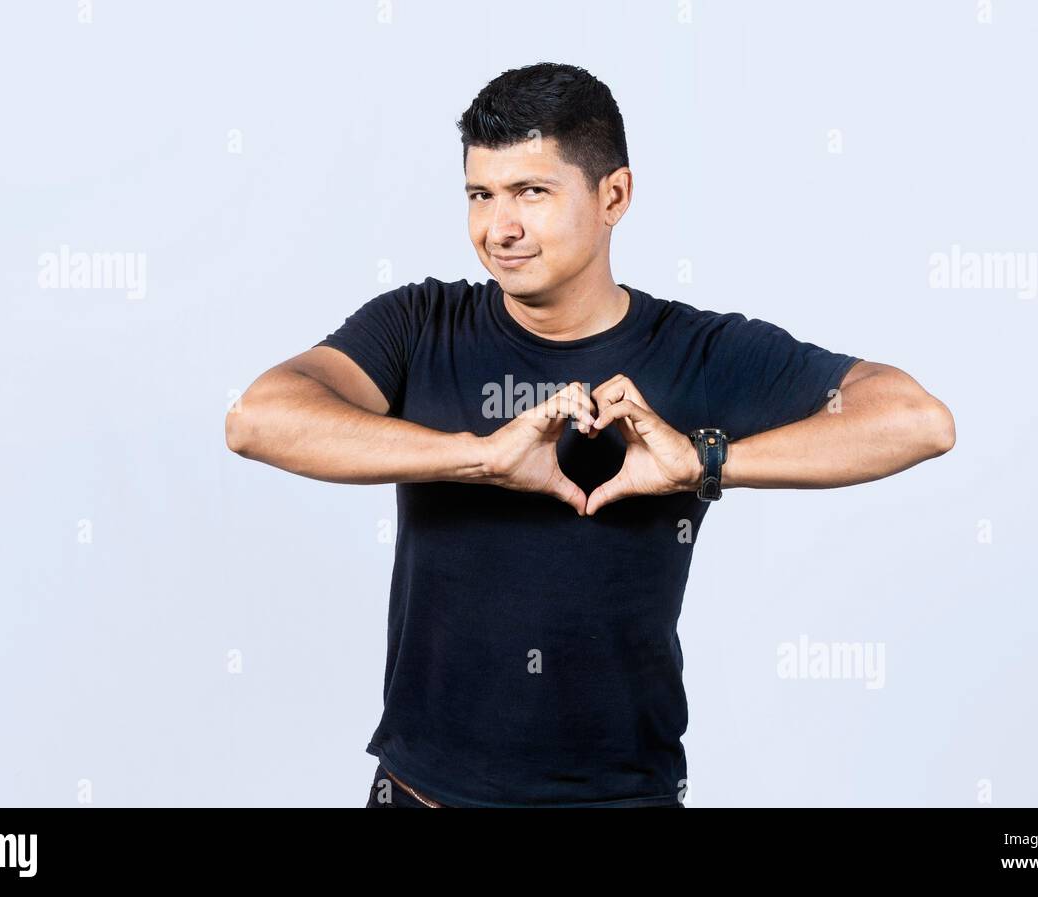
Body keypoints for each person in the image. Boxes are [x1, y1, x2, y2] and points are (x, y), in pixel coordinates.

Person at [226, 62, 955, 808]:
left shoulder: (698, 351)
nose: (498, 227)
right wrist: (477, 457)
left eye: (531, 193)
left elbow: (914, 420)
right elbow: (258, 417)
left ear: (615, 196)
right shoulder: (419, 323)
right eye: (481, 195)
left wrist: (706, 461)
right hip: (422, 792)